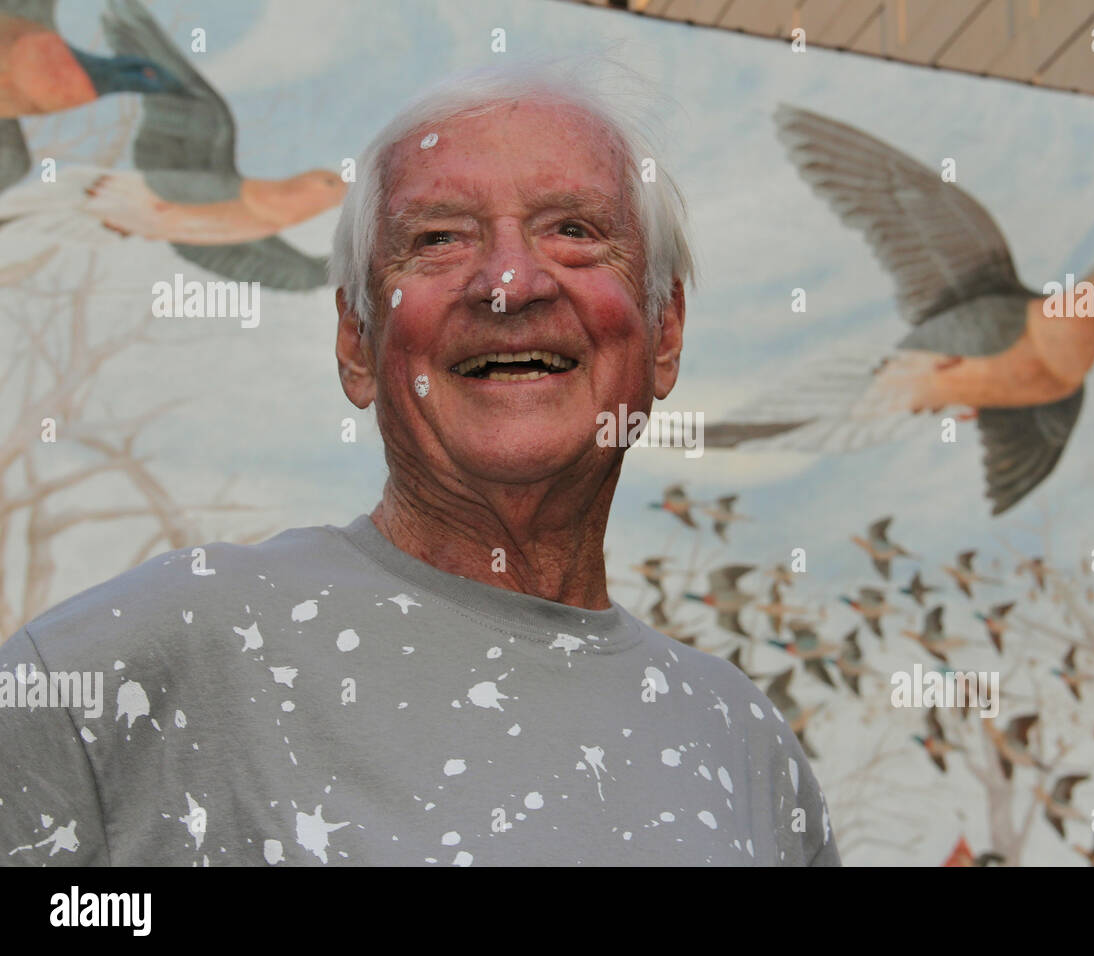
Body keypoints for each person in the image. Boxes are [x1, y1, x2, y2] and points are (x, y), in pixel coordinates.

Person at [0, 57, 840, 866]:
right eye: (438, 239)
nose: (510, 281)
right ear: (356, 341)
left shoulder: (740, 742)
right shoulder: (180, 645)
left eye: (575, 231)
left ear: (666, 331)